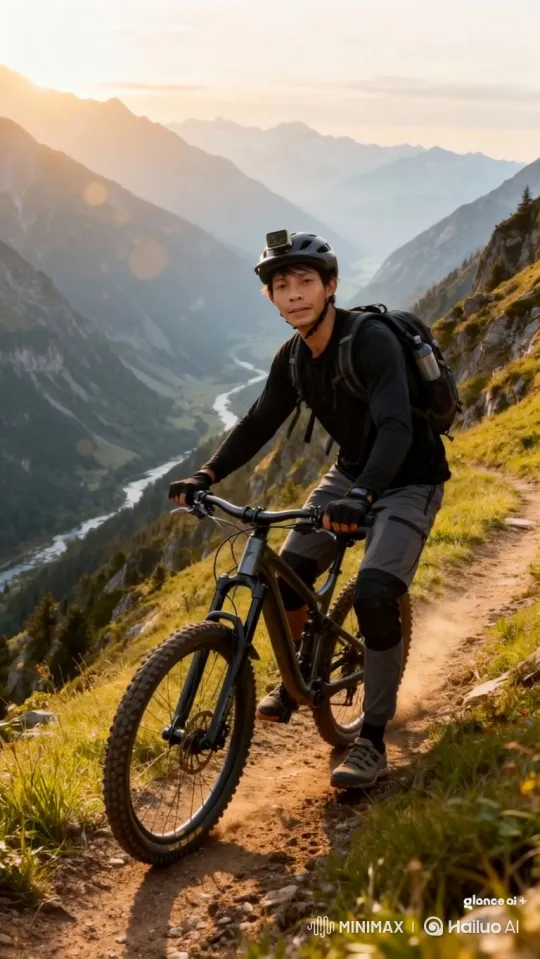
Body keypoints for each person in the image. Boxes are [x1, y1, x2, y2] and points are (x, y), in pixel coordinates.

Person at [168, 231, 451, 790]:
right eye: (281, 285)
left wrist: (364, 497)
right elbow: (258, 421)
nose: (294, 294)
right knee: (291, 580)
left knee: (373, 594)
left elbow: (396, 426)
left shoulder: (369, 341)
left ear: (330, 286)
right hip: (349, 475)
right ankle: (300, 674)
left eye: (305, 282)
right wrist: (206, 474)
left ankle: (370, 739)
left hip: (408, 479)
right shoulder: (294, 356)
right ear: (270, 297)